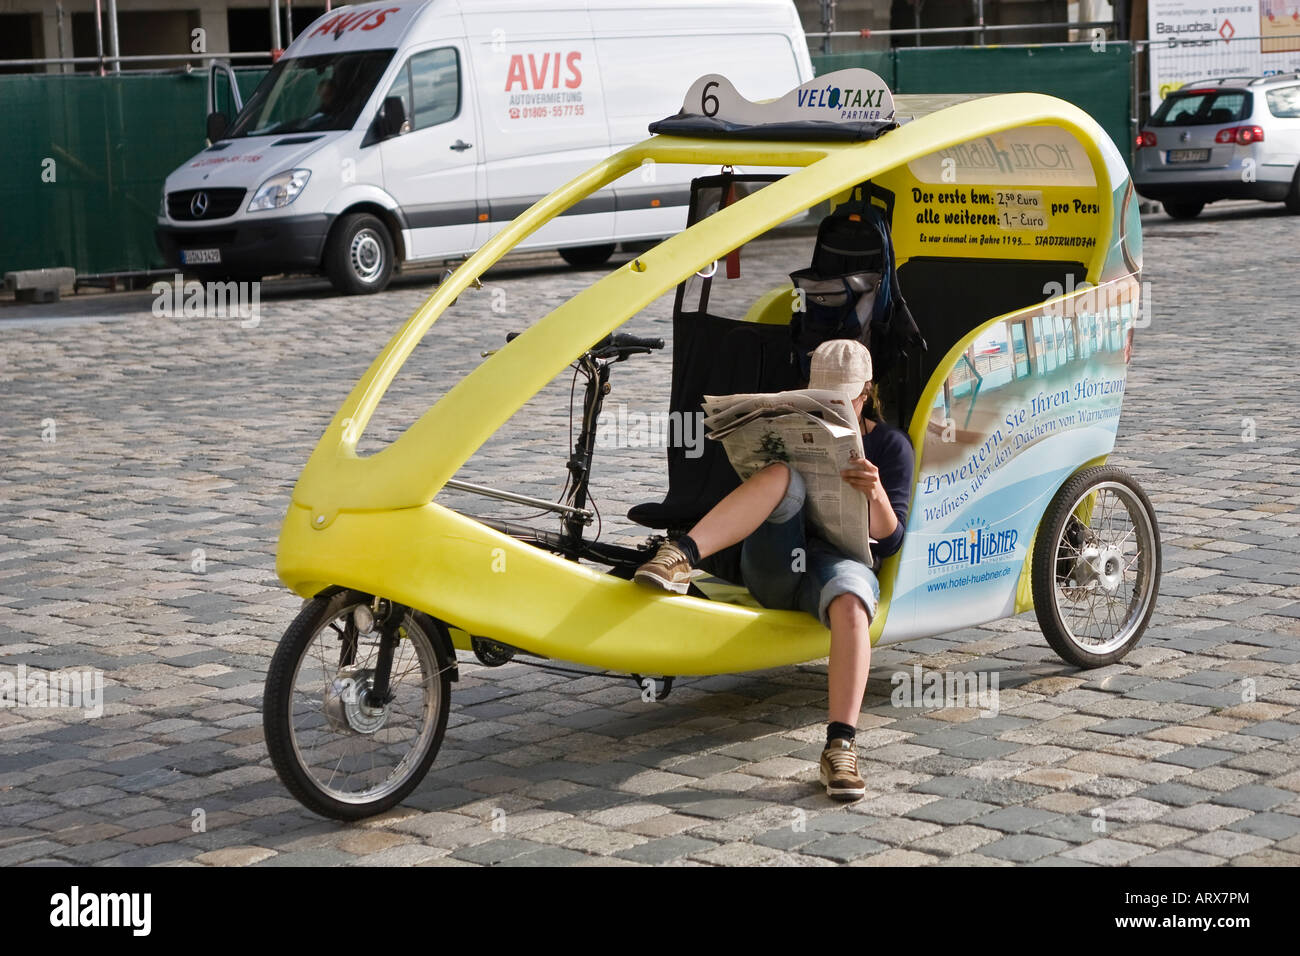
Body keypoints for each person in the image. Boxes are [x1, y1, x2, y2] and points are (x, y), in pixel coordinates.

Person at [634, 338, 915, 802]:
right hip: (775, 563)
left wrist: (876, 493)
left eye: (845, 396)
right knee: (782, 476)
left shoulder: (889, 444)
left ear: (866, 392)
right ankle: (679, 556)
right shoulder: (796, 420)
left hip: (839, 565)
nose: (835, 404)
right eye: (824, 394)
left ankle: (840, 747)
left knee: (852, 602)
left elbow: (891, 540)